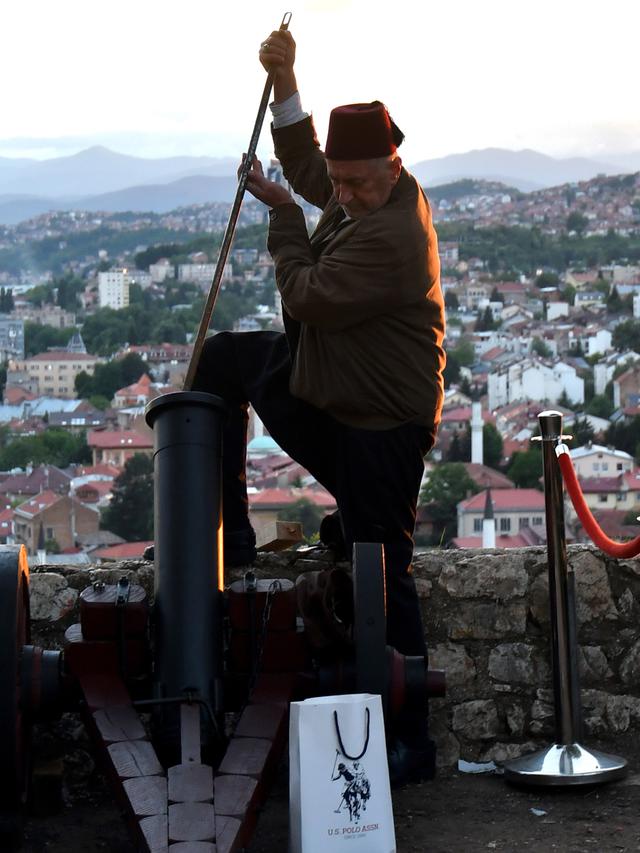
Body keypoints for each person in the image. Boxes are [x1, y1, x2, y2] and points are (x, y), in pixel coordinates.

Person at [192, 27, 445, 784]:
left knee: (382, 570)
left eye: (357, 183)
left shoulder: (393, 235)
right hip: (329, 384)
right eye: (340, 182)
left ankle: (413, 741)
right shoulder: (360, 191)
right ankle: (227, 534)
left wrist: (281, 216)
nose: (343, 193)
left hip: (379, 426)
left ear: (392, 168)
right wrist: (288, 80)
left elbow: (302, 291)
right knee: (221, 364)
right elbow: (309, 169)